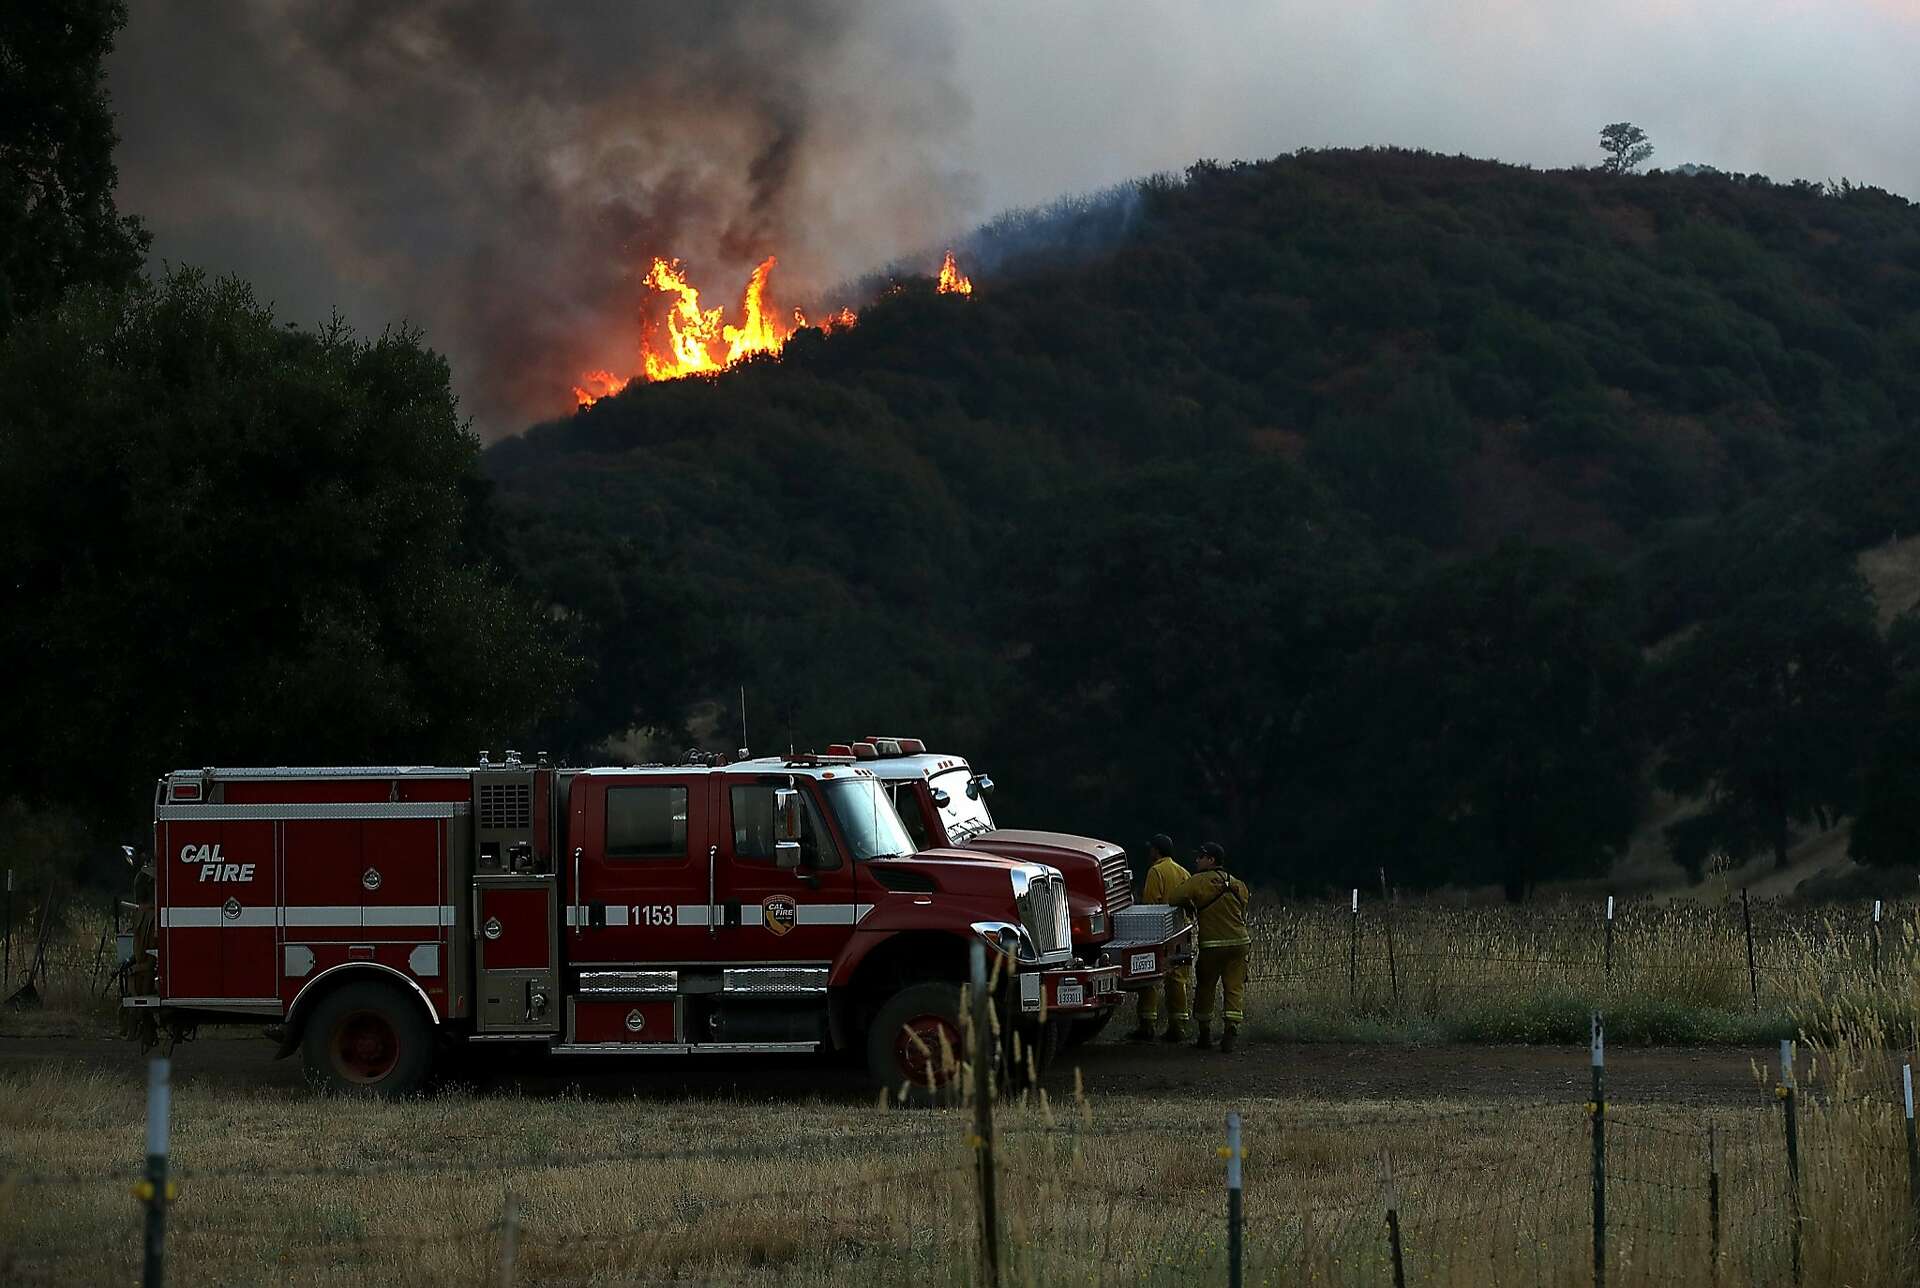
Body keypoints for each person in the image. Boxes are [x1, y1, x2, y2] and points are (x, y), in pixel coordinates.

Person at [1170, 842, 1250, 1053]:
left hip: (1212, 945)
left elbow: (1174, 898)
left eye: (1201, 857)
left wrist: (1190, 904)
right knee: (1234, 987)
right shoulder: (1238, 883)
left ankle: (1204, 1034)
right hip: (1240, 943)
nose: (1197, 860)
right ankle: (1231, 1029)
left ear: (1211, 860)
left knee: (1206, 987)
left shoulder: (1198, 882)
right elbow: (1244, 904)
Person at [1129, 834, 1192, 1042]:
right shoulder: (1183, 872)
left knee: (1149, 979)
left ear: (1156, 851)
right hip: (1180, 932)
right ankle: (1179, 1027)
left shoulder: (1156, 871)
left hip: (1159, 934)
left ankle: (1147, 1026)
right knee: (1178, 980)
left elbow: (1150, 905)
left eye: (1151, 849)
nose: (1150, 852)